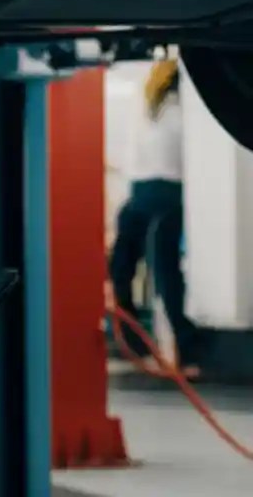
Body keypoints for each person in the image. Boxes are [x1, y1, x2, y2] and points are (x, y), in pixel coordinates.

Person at [108, 59, 199, 375]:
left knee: (164, 273)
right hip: (140, 192)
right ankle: (137, 344)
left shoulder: (185, 107)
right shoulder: (147, 105)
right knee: (120, 270)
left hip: (167, 193)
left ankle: (187, 351)